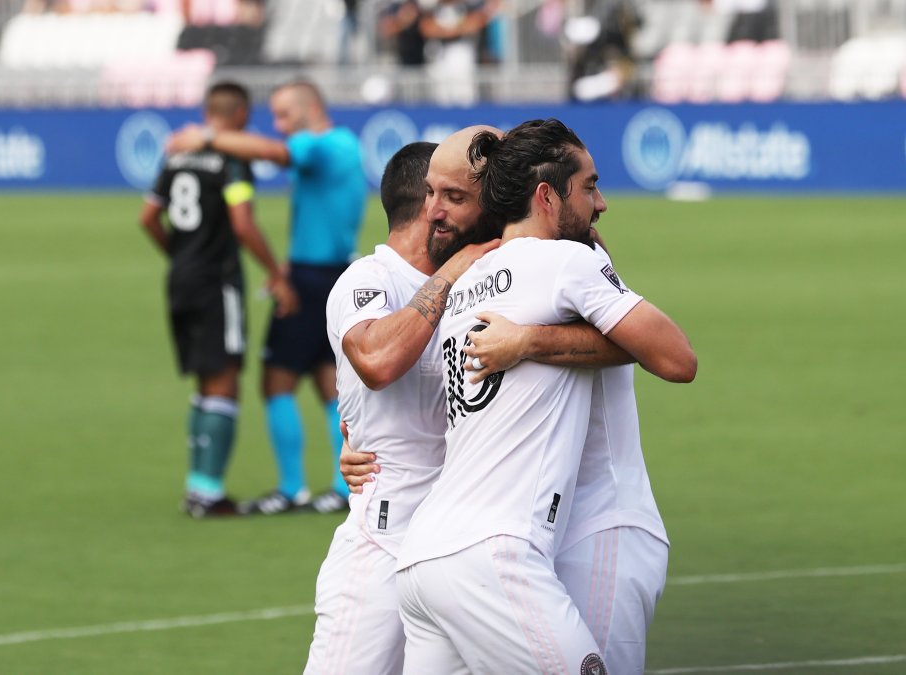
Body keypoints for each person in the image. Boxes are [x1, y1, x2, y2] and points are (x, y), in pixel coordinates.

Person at [345, 126, 691, 675]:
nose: (601, 204)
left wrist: (528, 341)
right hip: (517, 544)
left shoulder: (461, 290)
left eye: (452, 196)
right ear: (546, 196)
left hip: (425, 554)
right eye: (589, 187)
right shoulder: (565, 262)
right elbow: (676, 359)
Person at [305, 141, 499, 673]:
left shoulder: (482, 277)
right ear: (432, 207)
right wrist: (449, 275)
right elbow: (377, 361)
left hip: (460, 544)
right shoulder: (369, 279)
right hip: (385, 540)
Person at [166, 79, 367, 515]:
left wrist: (206, 136)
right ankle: (341, 488)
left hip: (313, 277)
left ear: (310, 108)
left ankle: (292, 488)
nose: (278, 124)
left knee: (276, 381)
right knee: (328, 381)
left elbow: (275, 153)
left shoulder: (323, 144)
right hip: (330, 273)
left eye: (284, 114)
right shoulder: (345, 146)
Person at [141, 81, 298, 518]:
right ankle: (208, 494)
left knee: (204, 384)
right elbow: (243, 224)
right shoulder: (230, 160)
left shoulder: (176, 155)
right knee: (224, 382)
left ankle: (197, 485)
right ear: (241, 114)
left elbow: (148, 217)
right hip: (217, 282)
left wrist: (179, 255)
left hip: (180, 280)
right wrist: (276, 272)